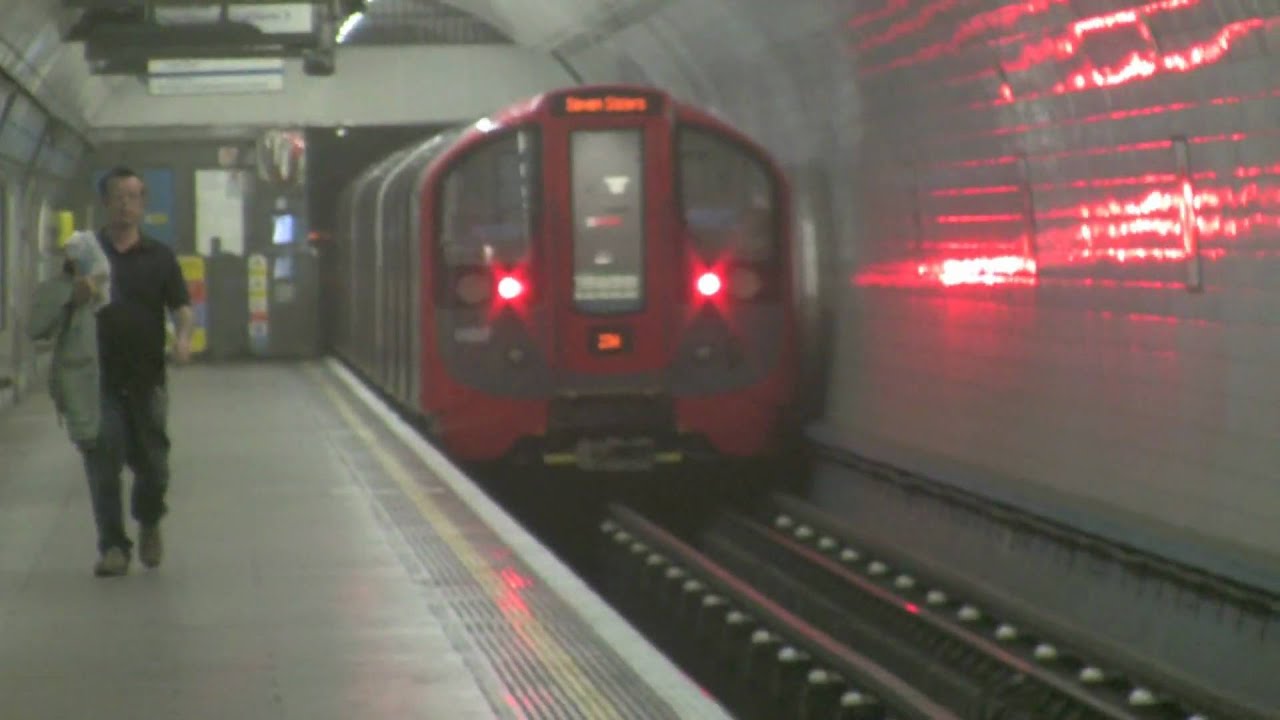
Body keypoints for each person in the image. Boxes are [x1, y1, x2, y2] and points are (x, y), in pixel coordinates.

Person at [85, 166, 194, 577]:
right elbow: (60, 309)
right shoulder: (85, 254)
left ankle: (149, 521)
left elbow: (181, 306)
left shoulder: (161, 257)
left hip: (148, 379)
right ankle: (113, 546)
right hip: (99, 382)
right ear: (105, 202)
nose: (126, 204)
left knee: (154, 467)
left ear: (143, 204)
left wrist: (183, 338)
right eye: (118, 196)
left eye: (134, 197)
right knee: (104, 468)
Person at [26, 231, 112, 450]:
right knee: (100, 467)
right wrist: (71, 300)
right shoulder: (55, 289)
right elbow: (36, 328)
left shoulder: (108, 291)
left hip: (118, 389)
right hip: (81, 391)